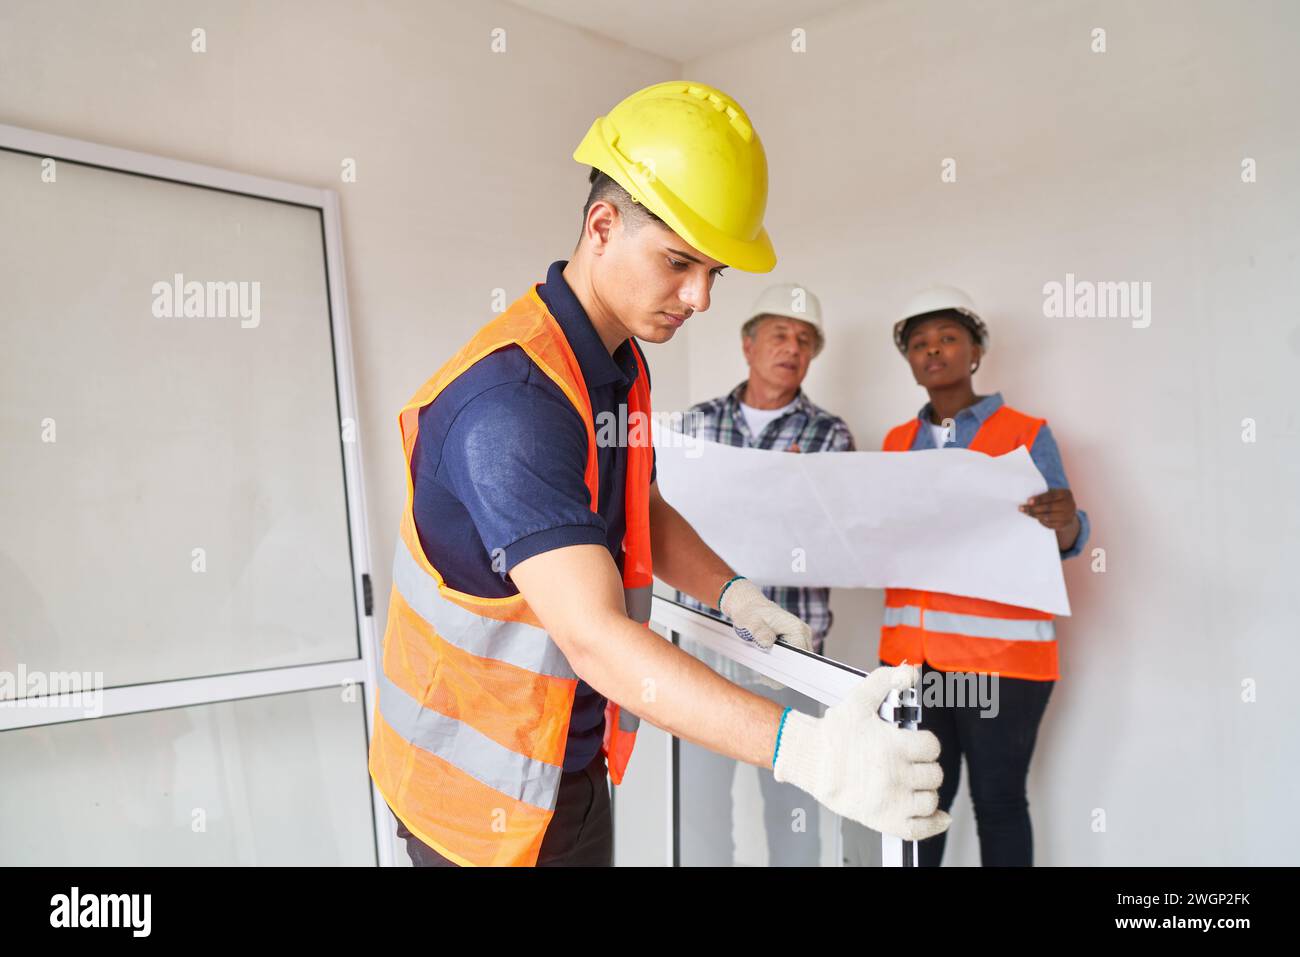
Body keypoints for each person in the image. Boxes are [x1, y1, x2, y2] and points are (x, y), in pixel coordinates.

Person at [367, 80, 949, 867]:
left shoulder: (615, 361)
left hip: (560, 761)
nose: (701, 297)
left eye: (713, 271)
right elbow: (597, 639)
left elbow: (638, 505)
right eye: (679, 262)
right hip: (476, 799)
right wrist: (809, 751)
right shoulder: (514, 406)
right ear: (602, 226)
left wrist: (730, 590)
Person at [879, 284, 1091, 867]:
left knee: (997, 802)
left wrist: (1067, 522)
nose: (934, 350)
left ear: (975, 353)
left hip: (1005, 663)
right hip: (914, 664)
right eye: (920, 343)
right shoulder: (897, 444)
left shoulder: (1024, 432)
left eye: (949, 338)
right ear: (911, 363)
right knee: (918, 806)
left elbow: (1065, 533)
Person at [674, 283, 855, 865]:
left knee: (793, 815)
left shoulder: (831, 436)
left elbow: (842, 541)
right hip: (702, 648)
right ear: (748, 345)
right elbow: (667, 519)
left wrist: (806, 498)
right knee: (698, 808)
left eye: (805, 339)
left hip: (794, 659)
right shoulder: (694, 428)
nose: (792, 347)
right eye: (780, 333)